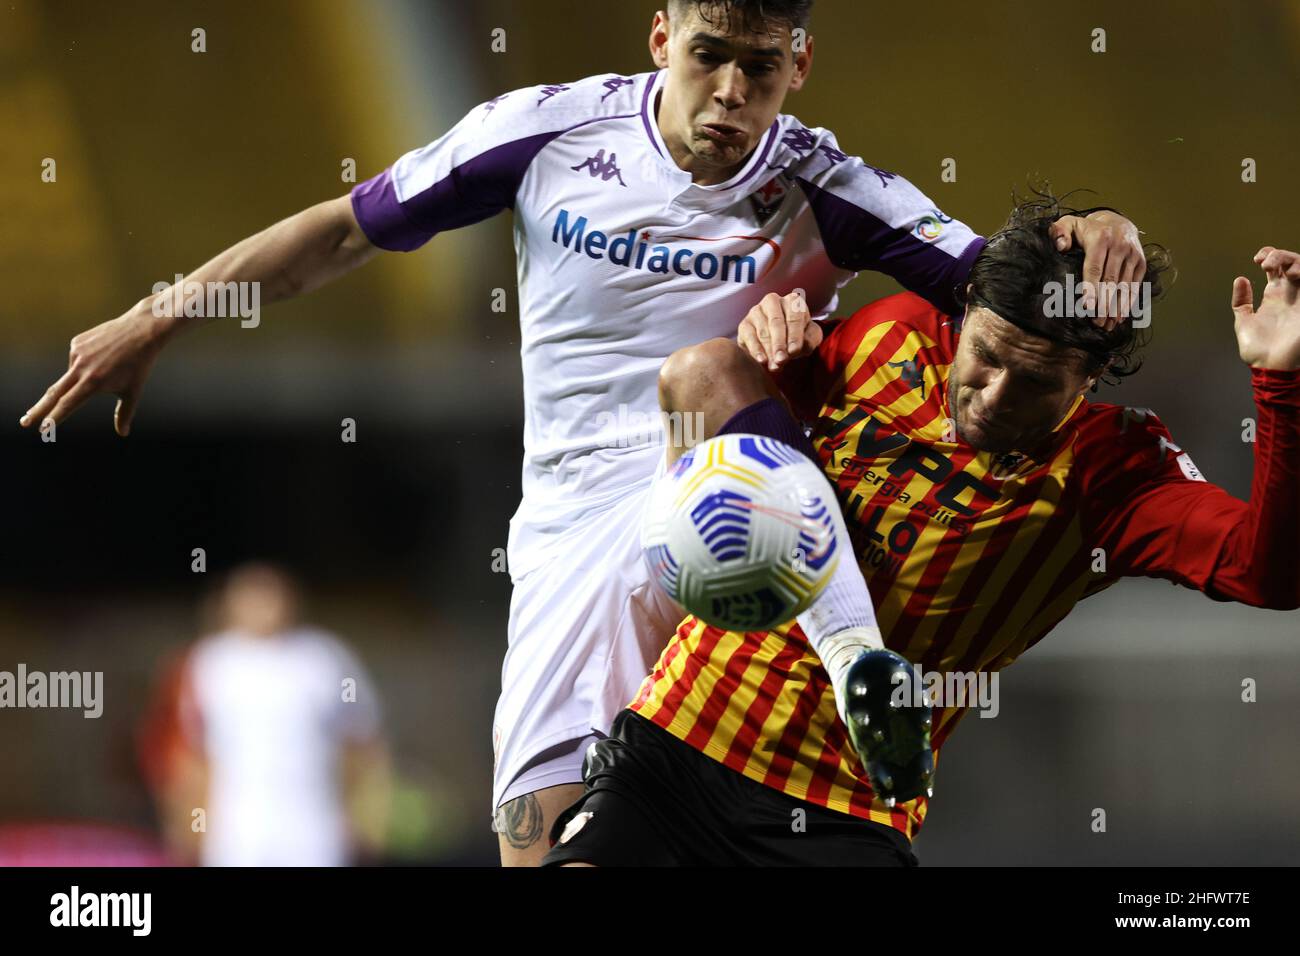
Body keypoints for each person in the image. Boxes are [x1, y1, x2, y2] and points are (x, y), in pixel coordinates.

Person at [18, 0, 1144, 864]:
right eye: (709, 52)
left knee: (707, 380)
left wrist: (1086, 228)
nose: (729, 91)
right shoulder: (548, 133)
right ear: (661, 36)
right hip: (568, 515)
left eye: (761, 65)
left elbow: (1013, 286)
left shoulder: (831, 184)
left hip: (740, 500)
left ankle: (863, 669)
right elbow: (343, 233)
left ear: (798, 67)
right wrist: (163, 310)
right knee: (536, 831)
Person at [541, 194, 1300, 866]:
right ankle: (835, 649)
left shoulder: (1113, 468)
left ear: (1090, 377)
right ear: (962, 315)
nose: (996, 396)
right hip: (675, 743)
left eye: (1036, 382)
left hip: (844, 809)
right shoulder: (890, 336)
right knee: (703, 366)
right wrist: (777, 342)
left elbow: (1270, 573)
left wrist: (1283, 385)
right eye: (988, 358)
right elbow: (747, 402)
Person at [158, 563, 391, 866]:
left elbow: (362, 740)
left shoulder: (325, 659)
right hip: (238, 826)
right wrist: (188, 820)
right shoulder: (209, 663)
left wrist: (365, 814)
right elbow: (192, 753)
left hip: (312, 821)